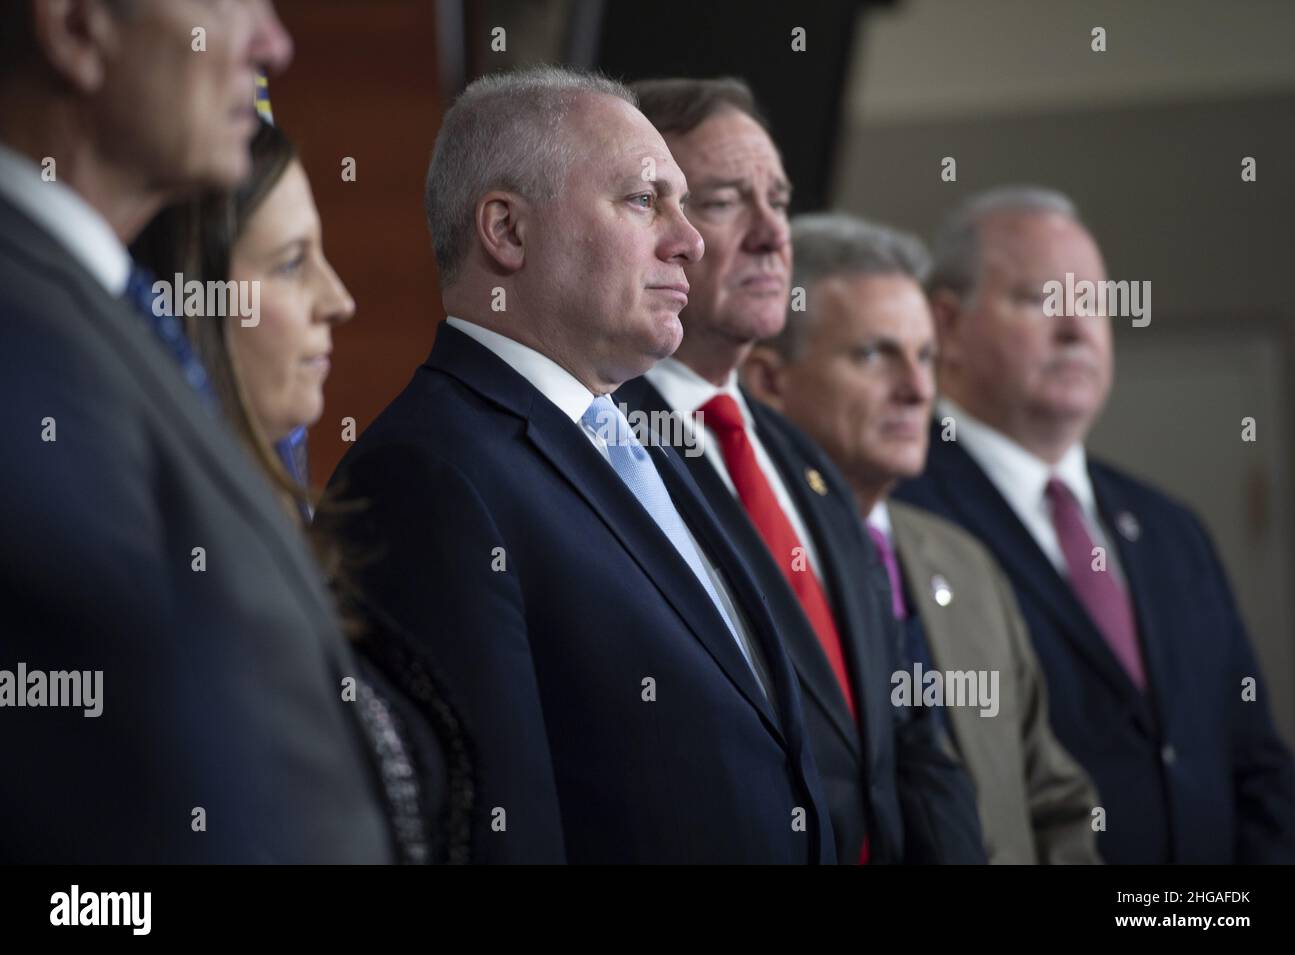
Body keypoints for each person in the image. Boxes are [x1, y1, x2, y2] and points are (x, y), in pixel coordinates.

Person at [326, 65, 833, 864]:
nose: (689, 238)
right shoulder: (426, 474)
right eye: (644, 200)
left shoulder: (645, 431)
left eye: (683, 200)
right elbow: (500, 828)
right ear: (508, 231)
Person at [0, 0, 391, 862]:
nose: (272, 43)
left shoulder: (95, 314)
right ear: (75, 29)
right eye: (227, 4)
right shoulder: (25, 338)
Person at [615, 77, 986, 864]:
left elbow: (909, 740)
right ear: (648, 226)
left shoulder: (803, 458)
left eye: (777, 200)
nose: (771, 235)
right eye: (721, 201)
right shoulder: (607, 449)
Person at [892, 186, 1295, 863]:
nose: (1077, 327)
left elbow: (1254, 760)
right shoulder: (902, 514)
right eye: (1041, 300)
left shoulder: (1172, 528)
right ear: (947, 325)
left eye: (1093, 303)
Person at [133, 119, 474, 864]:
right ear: (188, 298)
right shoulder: (156, 565)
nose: (339, 298)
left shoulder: (283, 534)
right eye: (292, 264)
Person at [743, 211, 1101, 863]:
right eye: (874, 354)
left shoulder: (964, 564)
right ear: (769, 382)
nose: (916, 390)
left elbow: (1053, 804)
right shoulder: (741, 567)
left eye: (927, 357)